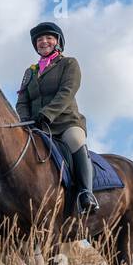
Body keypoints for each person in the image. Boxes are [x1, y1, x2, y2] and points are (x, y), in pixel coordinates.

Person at [15, 21, 97, 215]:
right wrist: (25, 121)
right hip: (36, 126)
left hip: (65, 122)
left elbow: (67, 92)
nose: (44, 42)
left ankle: (86, 193)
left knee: (76, 140)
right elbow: (22, 101)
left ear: (58, 41)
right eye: (39, 39)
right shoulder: (30, 71)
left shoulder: (69, 63)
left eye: (48, 38)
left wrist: (47, 114)